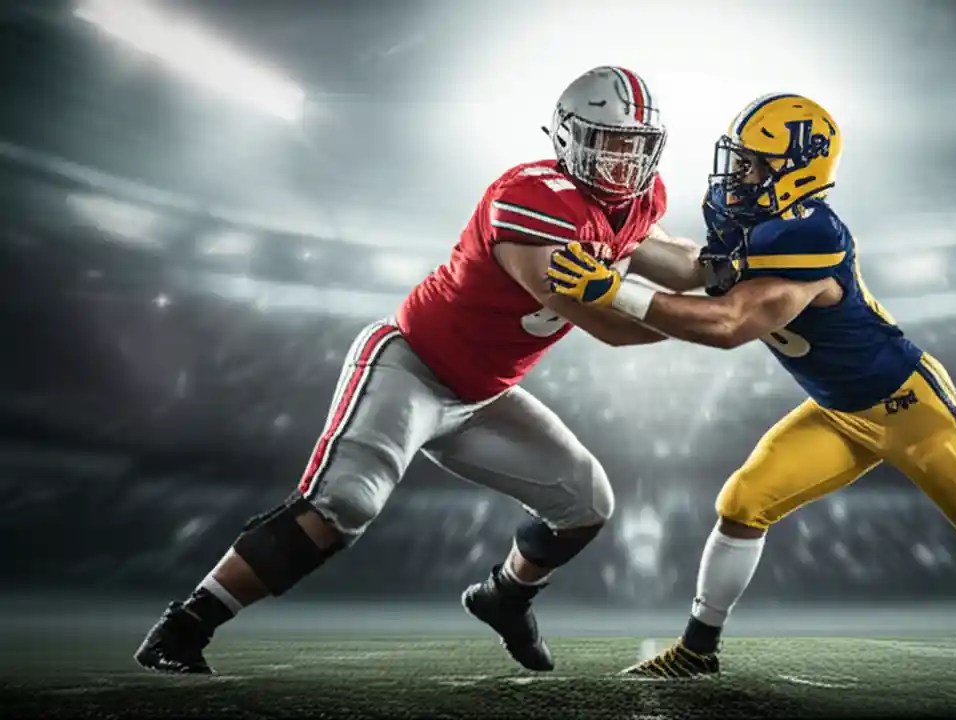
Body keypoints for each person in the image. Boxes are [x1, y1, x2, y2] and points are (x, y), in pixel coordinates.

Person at [545, 93, 956, 687]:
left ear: (796, 171)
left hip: (908, 408)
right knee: (742, 504)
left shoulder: (809, 239)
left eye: (753, 164)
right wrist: (613, 236)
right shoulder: (752, 220)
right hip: (836, 411)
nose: (736, 174)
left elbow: (730, 323)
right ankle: (697, 651)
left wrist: (615, 291)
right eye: (737, 159)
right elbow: (701, 268)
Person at [134, 66, 704, 675]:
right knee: (343, 504)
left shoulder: (637, 202)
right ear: (569, 137)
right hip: (411, 365)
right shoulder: (531, 199)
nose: (622, 160)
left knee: (586, 502)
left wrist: (742, 269)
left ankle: (505, 597)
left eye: (634, 144)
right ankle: (184, 627)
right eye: (608, 141)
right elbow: (608, 324)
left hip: (483, 394)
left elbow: (678, 261)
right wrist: (714, 325)